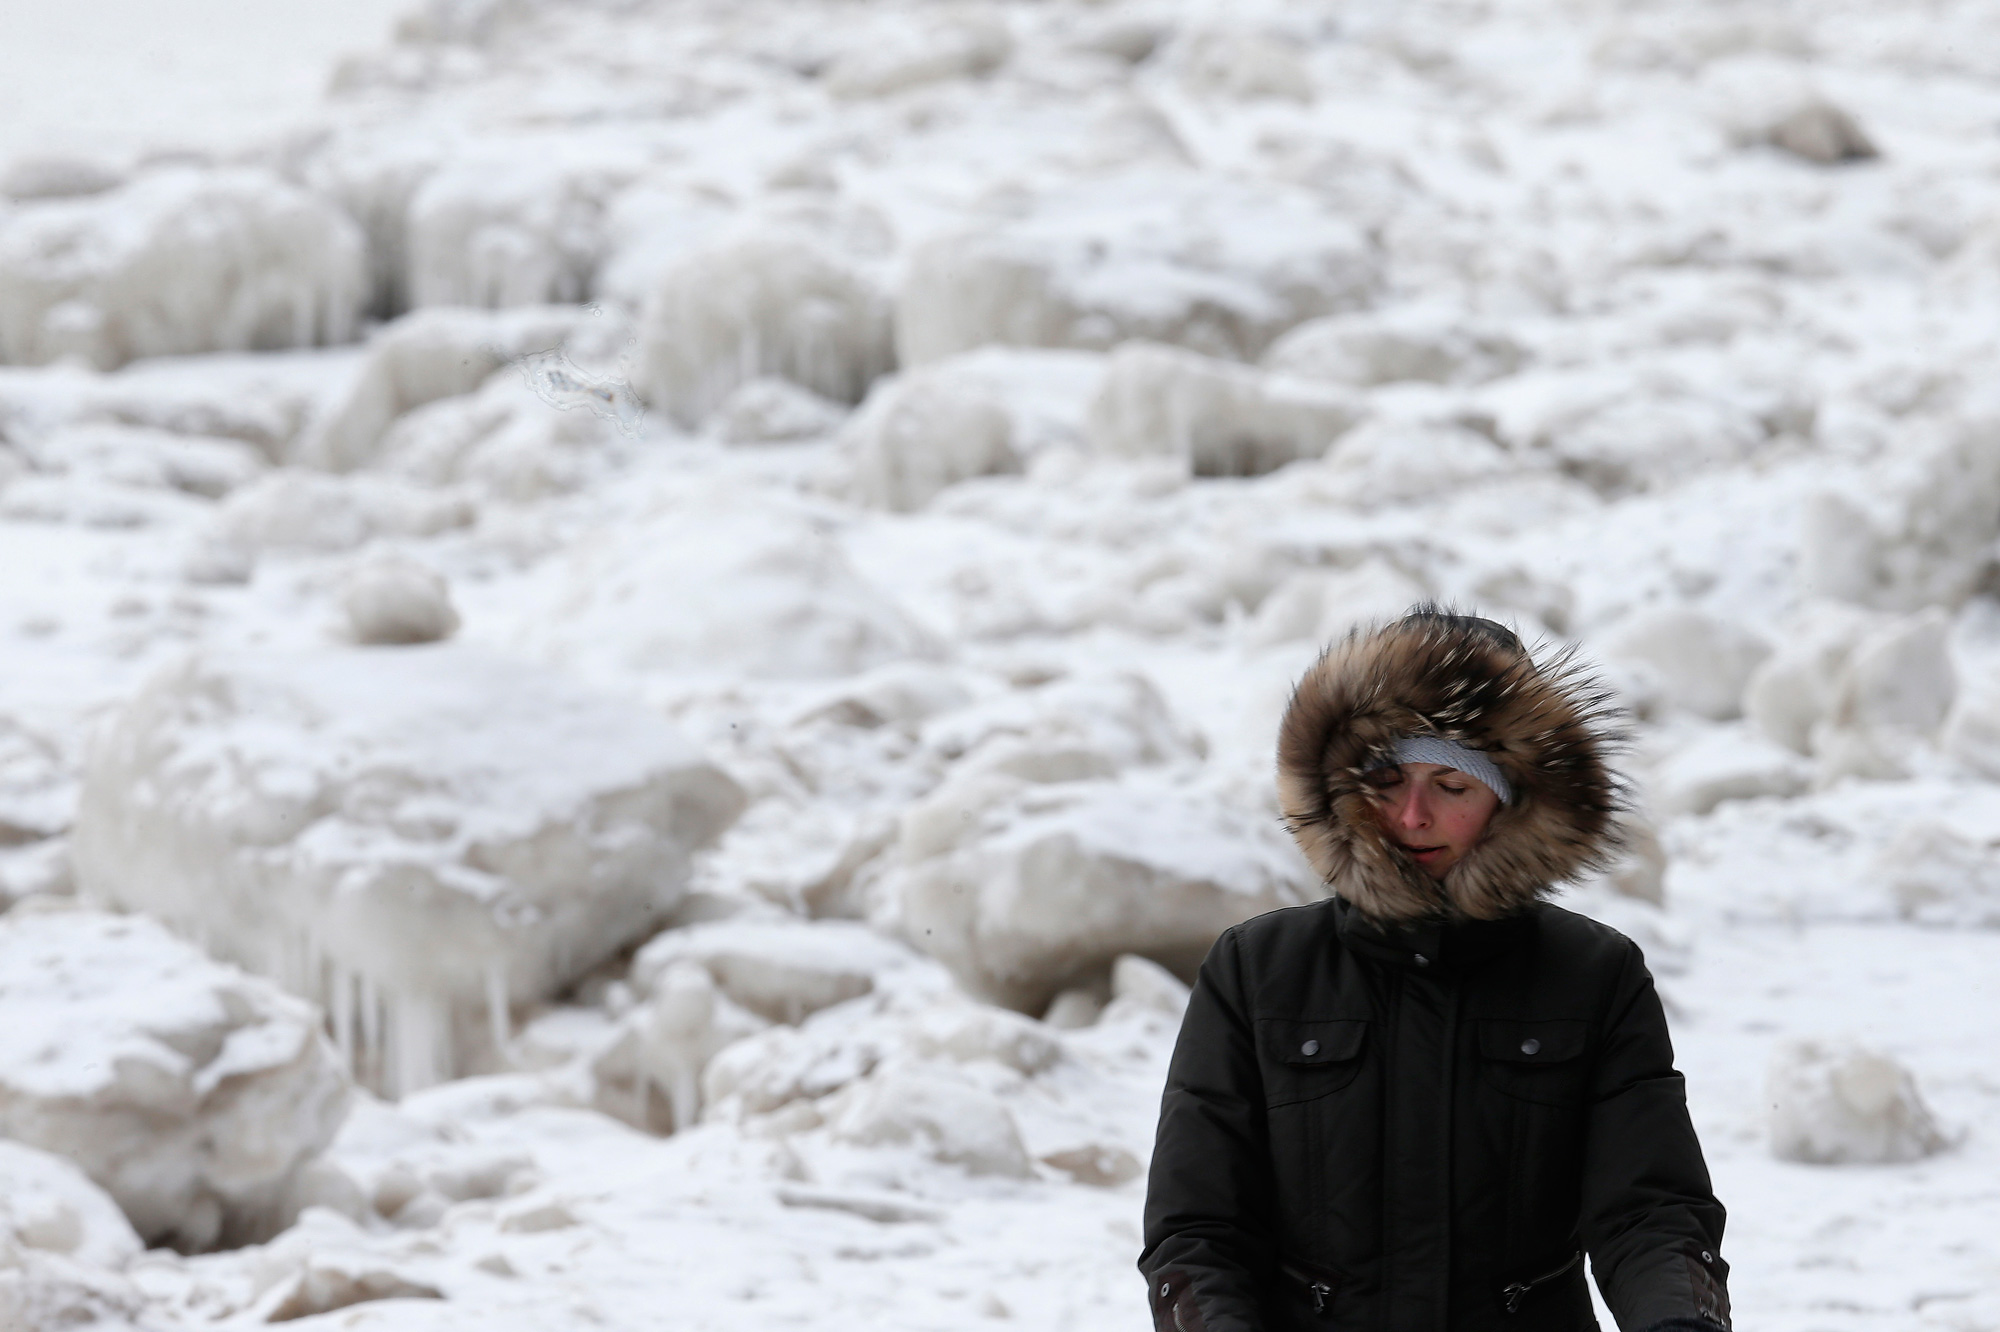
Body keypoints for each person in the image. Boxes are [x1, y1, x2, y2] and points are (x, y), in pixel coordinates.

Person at [1139, 607, 1730, 1332]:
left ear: (1513, 803)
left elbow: (1652, 1214)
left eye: (1452, 787)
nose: (1413, 815)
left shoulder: (1593, 976)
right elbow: (1197, 1230)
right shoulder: (1258, 972)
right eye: (1387, 780)